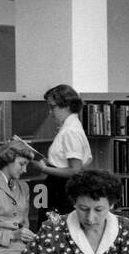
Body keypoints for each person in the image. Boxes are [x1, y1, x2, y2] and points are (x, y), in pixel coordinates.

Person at [3, 169, 129, 254]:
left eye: (99, 210)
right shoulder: (54, 228)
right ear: (74, 203)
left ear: (112, 205)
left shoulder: (128, 230)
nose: (90, 218)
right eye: (83, 209)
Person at [29, 84, 91, 215]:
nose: (50, 113)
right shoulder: (69, 127)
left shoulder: (70, 131)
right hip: (58, 184)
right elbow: (62, 162)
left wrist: (43, 168)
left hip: (62, 187)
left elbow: (75, 170)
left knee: (51, 225)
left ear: (67, 106)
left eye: (53, 107)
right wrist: (44, 160)